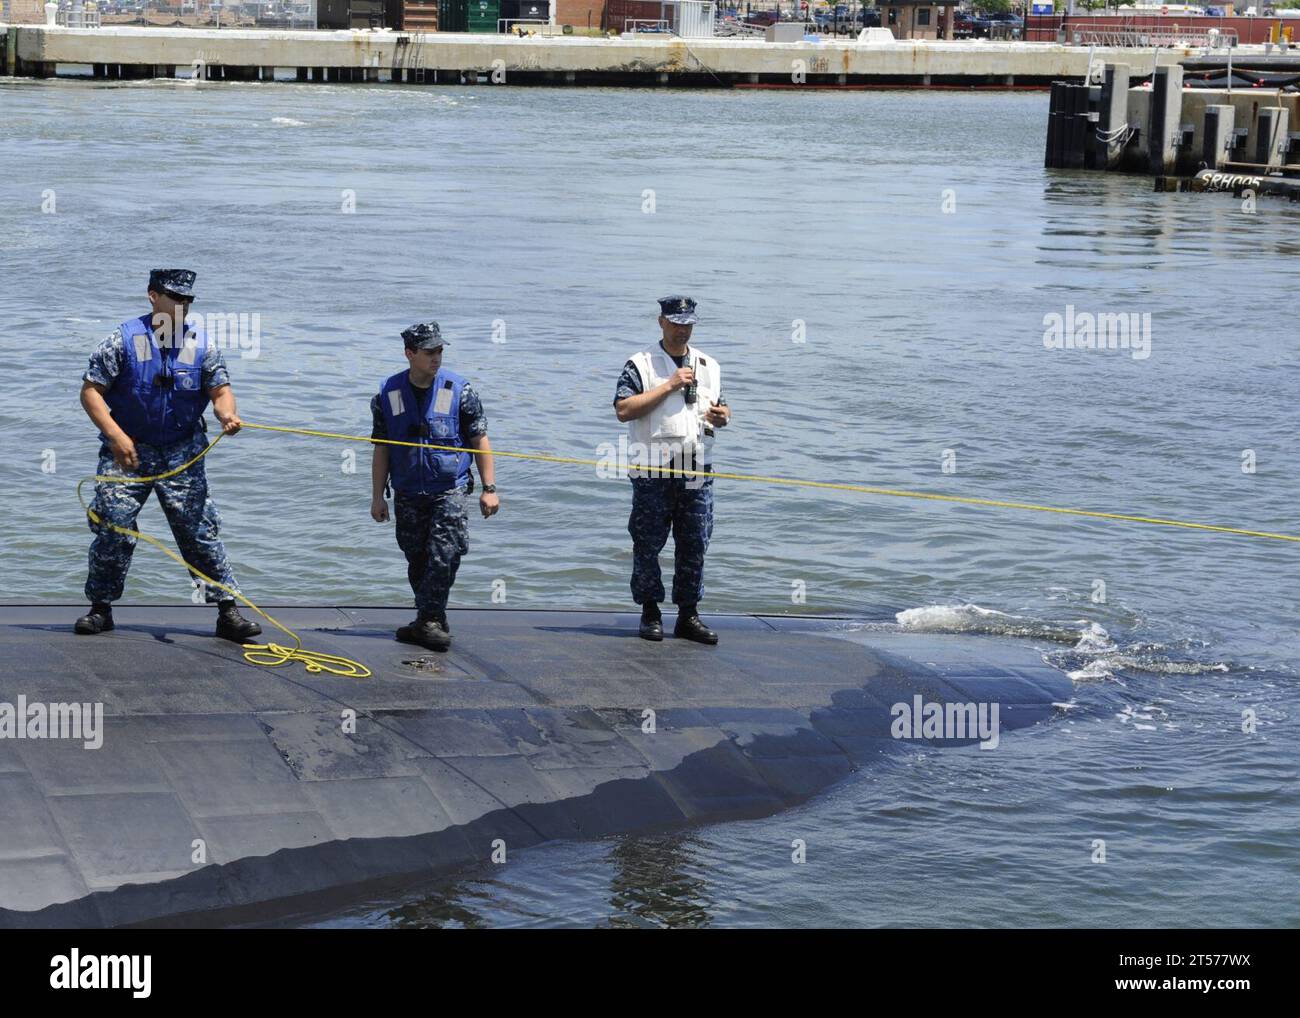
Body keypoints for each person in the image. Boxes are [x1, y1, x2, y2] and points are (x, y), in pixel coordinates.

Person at [75, 269, 262, 642]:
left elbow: (221, 390)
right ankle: (100, 608)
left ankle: (227, 611)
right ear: (152, 296)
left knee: (199, 531)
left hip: (182, 451)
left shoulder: (200, 344)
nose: (182, 305)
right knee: (114, 528)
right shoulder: (123, 340)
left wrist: (226, 414)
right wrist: (115, 436)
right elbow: (91, 392)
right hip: (128, 451)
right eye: (175, 297)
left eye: (187, 300)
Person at [370, 321, 499, 651]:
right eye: (429, 352)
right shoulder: (388, 393)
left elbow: (479, 439)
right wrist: (376, 497)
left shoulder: (460, 390)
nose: (436, 357)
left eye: (440, 351)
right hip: (408, 491)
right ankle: (431, 619)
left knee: (445, 553)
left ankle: (427, 620)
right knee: (417, 559)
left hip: (449, 488)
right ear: (410, 354)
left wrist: (489, 487)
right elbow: (381, 448)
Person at [613, 295, 731, 644]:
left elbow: (720, 409)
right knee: (648, 544)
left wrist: (723, 417)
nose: (682, 330)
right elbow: (623, 410)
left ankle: (688, 615)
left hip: (696, 469)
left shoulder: (709, 364)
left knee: (694, 542)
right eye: (676, 323)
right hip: (653, 469)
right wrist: (669, 385)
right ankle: (650, 612)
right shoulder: (641, 364)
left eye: (688, 324)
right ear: (661, 321)